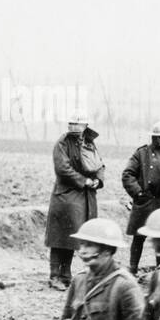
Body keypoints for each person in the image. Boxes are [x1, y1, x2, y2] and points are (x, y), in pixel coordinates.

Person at [45, 115, 105, 289]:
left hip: (85, 197)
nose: (74, 126)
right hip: (66, 195)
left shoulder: (89, 142)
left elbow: (100, 164)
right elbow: (62, 168)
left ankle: (66, 274)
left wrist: (97, 181)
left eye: (77, 123)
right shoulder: (62, 143)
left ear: (85, 125)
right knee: (60, 237)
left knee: (73, 237)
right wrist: (83, 180)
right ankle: (55, 275)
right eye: (71, 123)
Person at [122, 121, 160, 273]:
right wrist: (139, 193)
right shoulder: (142, 153)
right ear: (153, 137)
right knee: (139, 236)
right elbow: (128, 174)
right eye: (158, 137)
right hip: (146, 201)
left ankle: (159, 270)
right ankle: (132, 268)